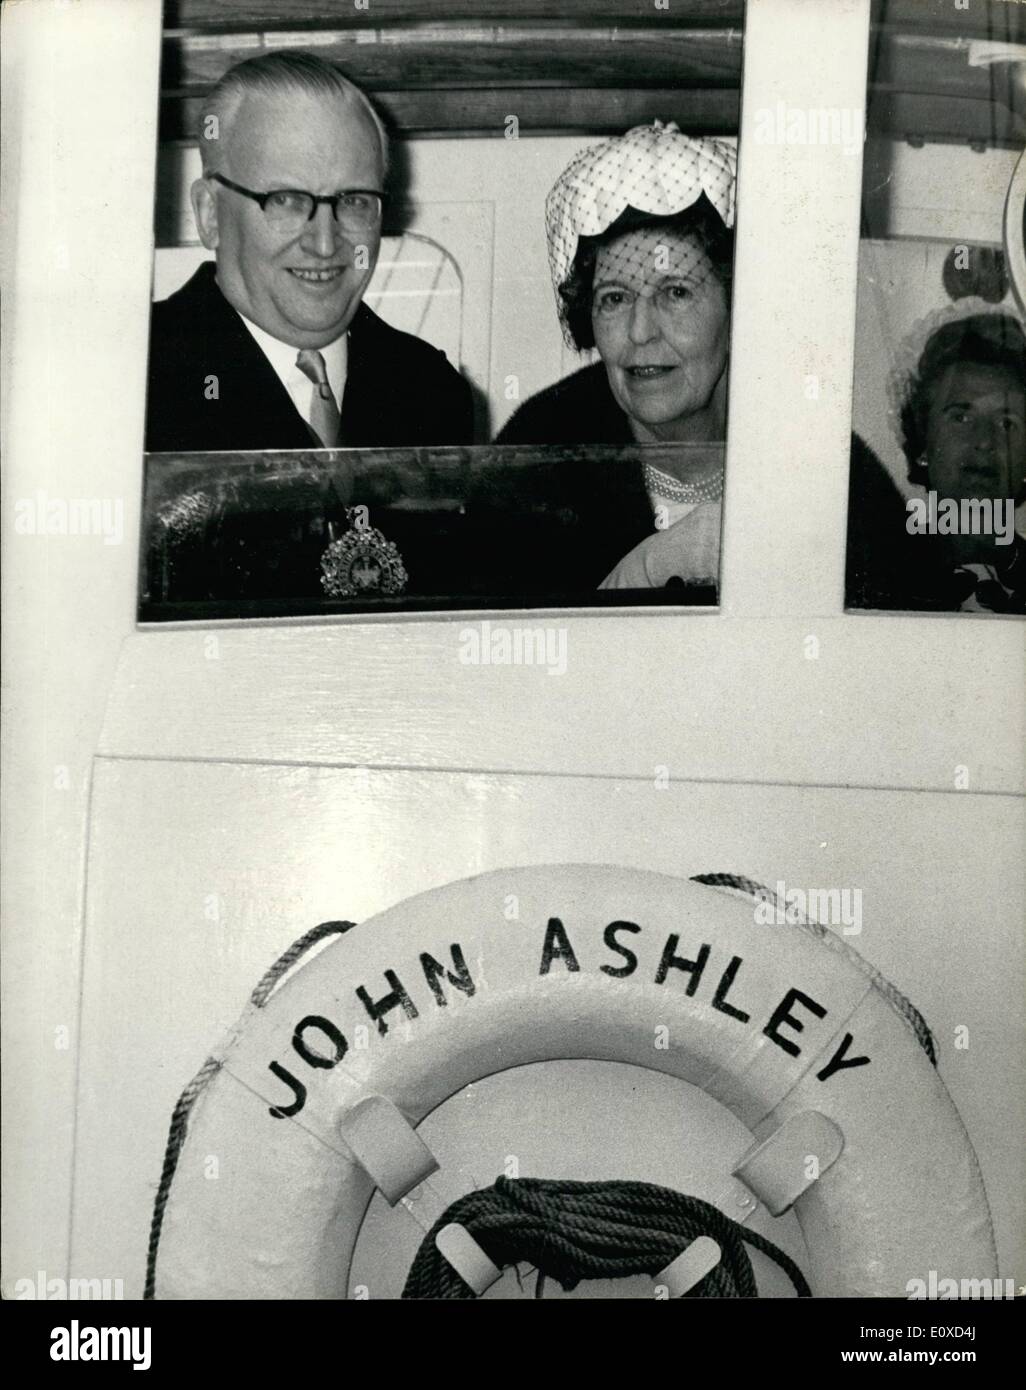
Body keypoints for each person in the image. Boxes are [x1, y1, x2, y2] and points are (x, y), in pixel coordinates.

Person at [145, 52, 473, 454]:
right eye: (285, 200)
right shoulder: (136, 382)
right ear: (210, 214)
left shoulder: (431, 391)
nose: (324, 243)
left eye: (353, 201)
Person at [496, 122, 735, 592]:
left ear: (737, 306)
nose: (641, 332)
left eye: (677, 292)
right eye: (614, 298)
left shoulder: (811, 446)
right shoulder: (533, 458)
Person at [849, 305, 1025, 613]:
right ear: (922, 442)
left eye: (1006, 422)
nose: (985, 441)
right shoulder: (873, 571)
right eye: (961, 417)